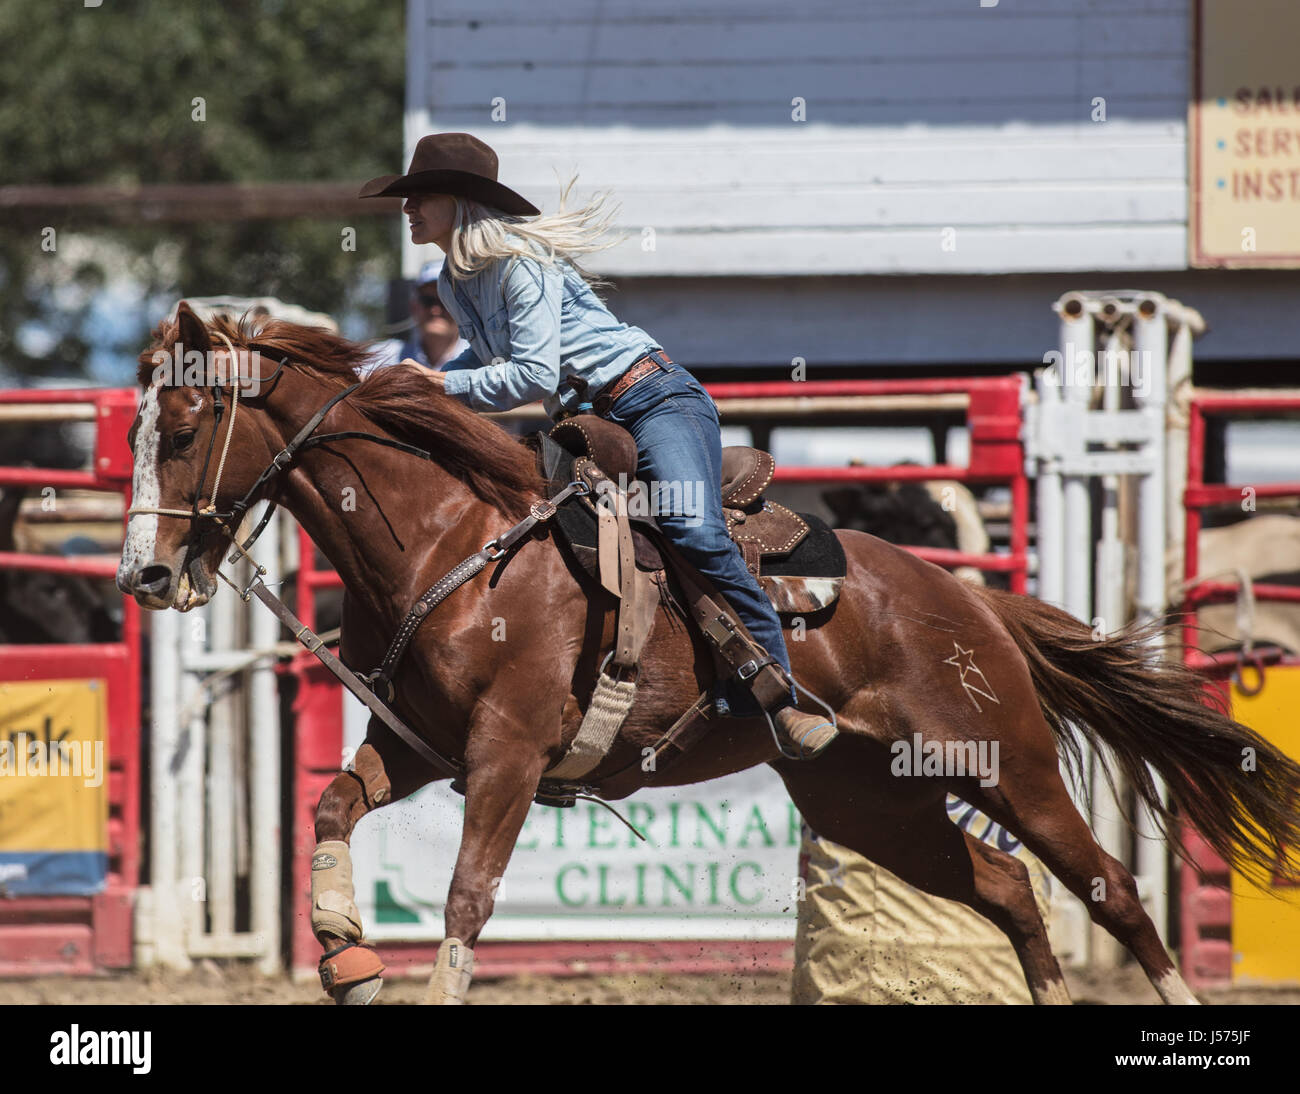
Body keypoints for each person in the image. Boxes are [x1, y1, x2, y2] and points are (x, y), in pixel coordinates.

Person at [358, 132, 836, 757]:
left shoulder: (520, 265)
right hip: (588, 418)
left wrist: (443, 385)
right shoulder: (454, 281)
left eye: (421, 196)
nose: (408, 208)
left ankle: (778, 690)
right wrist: (422, 386)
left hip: (654, 398)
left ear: (461, 205)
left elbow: (529, 374)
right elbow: (494, 358)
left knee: (692, 527)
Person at [367, 260, 467, 374]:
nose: (435, 310)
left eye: (445, 302)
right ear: (414, 307)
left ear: (462, 309)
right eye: (428, 301)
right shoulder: (381, 359)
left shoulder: (482, 361)